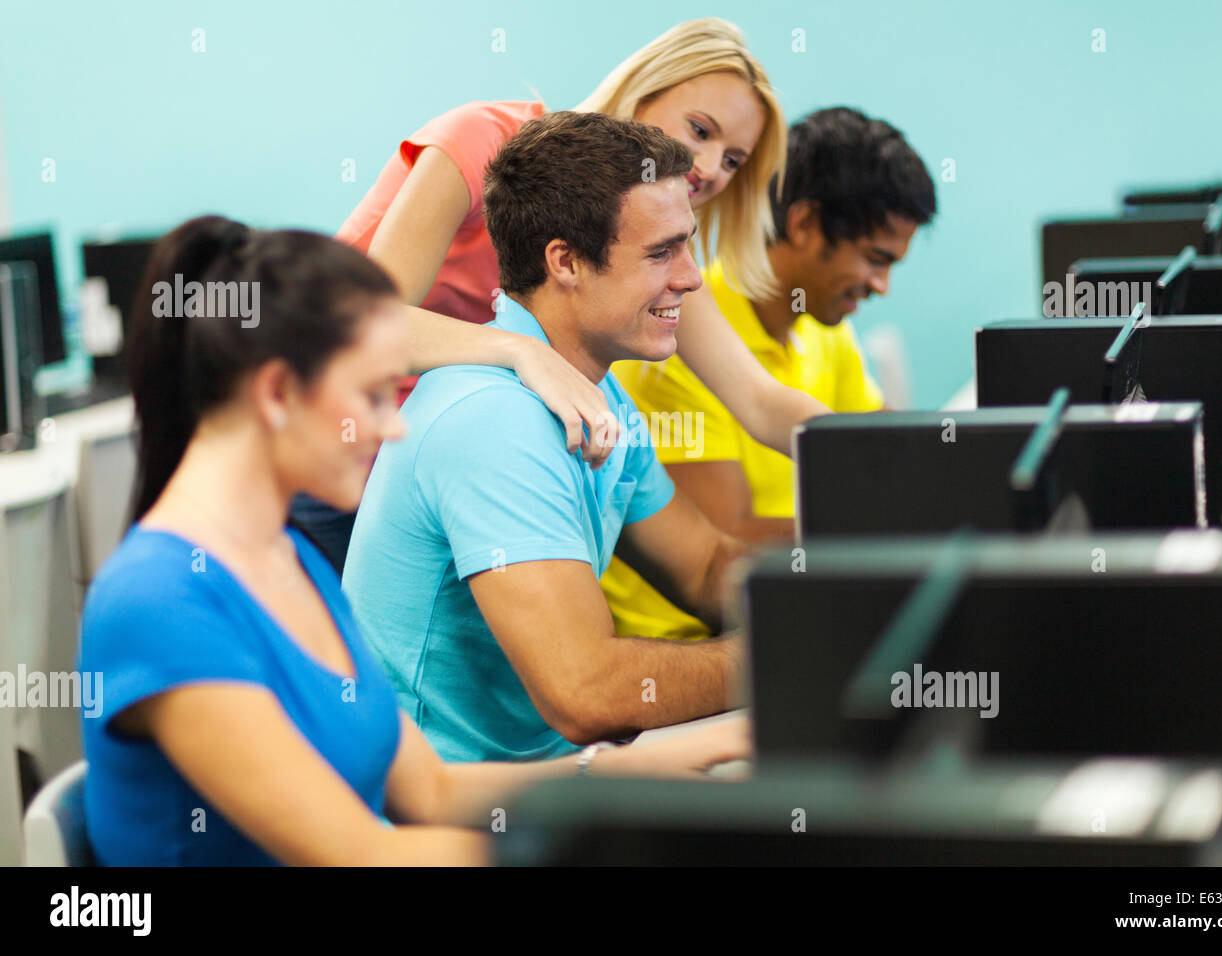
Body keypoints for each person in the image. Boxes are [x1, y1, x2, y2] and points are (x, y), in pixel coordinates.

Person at [78, 216, 749, 866]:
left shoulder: (290, 562)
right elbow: (362, 853)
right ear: (279, 393)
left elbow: (433, 789)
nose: (392, 428)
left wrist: (653, 767)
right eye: (372, 396)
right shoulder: (160, 602)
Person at [292, 17, 829, 574]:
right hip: (340, 456)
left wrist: (885, 463)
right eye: (700, 130)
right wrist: (522, 352)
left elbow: (761, 402)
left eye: (734, 159)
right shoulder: (483, 141)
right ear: (641, 92)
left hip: (463, 470)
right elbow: (362, 329)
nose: (711, 168)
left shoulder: (650, 250)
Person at [343, 113, 749, 763]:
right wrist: (777, 659)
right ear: (565, 262)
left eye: (688, 247)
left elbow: (702, 566)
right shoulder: (492, 421)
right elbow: (586, 692)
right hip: (444, 813)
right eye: (660, 252)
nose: (691, 278)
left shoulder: (600, 396)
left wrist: (832, 600)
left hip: (548, 781)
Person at [602, 107, 937, 641]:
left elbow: (877, 441)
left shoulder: (824, 325)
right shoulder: (673, 342)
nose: (882, 285)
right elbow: (722, 542)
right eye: (875, 258)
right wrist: (895, 527)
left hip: (790, 612)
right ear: (804, 222)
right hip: (697, 642)